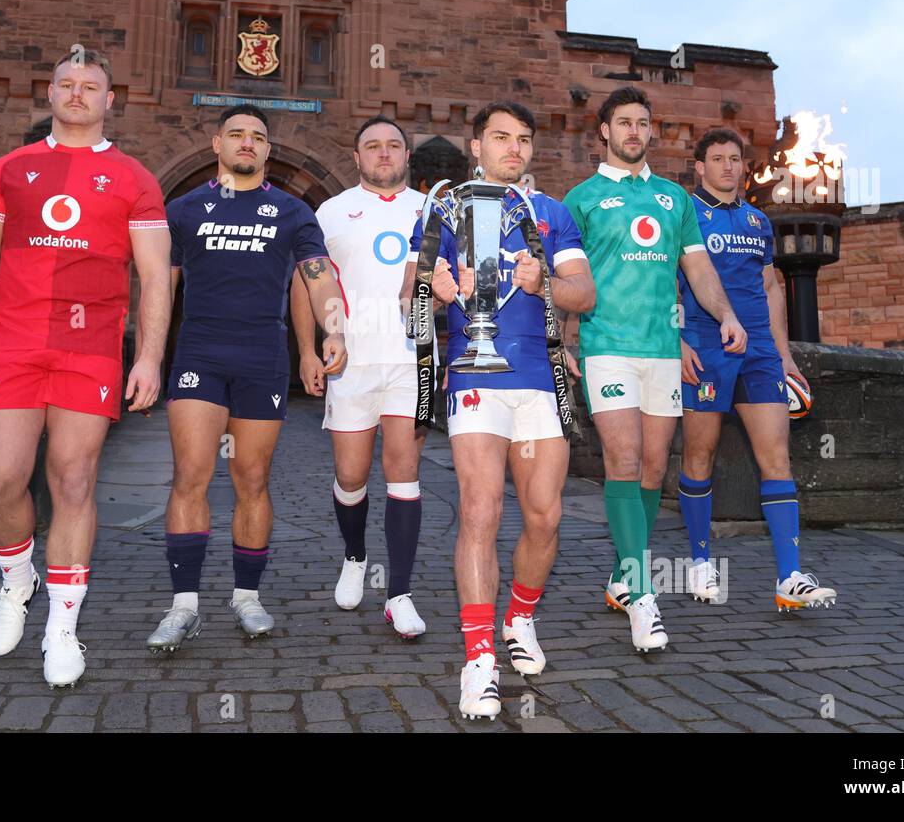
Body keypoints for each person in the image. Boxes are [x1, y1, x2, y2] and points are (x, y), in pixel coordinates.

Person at [0, 48, 171, 688]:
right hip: (14, 342)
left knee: (74, 481)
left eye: (90, 86)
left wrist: (149, 356)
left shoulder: (135, 179)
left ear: (109, 100)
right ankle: (18, 581)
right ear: (50, 94)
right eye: (67, 84)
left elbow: (155, 277)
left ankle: (63, 625)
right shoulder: (10, 169)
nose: (77, 94)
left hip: (91, 346)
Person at [402, 102, 594, 719]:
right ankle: (478, 658)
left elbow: (583, 296)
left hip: (539, 376)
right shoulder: (444, 208)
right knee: (480, 509)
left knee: (544, 516)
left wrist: (545, 285)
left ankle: (520, 617)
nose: (515, 148)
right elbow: (410, 302)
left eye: (524, 139)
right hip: (472, 374)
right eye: (502, 138)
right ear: (475, 144)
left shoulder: (551, 213)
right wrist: (437, 288)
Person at [146, 104, 347, 652]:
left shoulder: (292, 212)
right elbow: (158, 289)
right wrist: (147, 355)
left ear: (267, 149)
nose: (247, 143)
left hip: (262, 358)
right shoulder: (184, 210)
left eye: (258, 137)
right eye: (236, 134)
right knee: (190, 474)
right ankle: (182, 605)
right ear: (216, 143)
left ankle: (246, 596)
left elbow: (319, 276)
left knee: (251, 480)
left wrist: (334, 329)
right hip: (199, 355)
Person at [562, 86, 747, 653]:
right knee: (620, 458)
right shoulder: (581, 198)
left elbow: (697, 268)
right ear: (604, 132)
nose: (635, 132)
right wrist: (564, 341)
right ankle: (643, 595)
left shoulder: (674, 199)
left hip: (662, 348)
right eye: (624, 123)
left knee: (649, 466)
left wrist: (726, 314)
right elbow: (567, 280)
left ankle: (623, 576)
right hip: (607, 344)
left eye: (643, 123)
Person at [678, 127, 837, 610]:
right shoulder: (686, 215)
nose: (728, 166)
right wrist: (677, 340)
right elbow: (667, 279)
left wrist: (784, 354)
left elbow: (770, 288)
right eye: (718, 158)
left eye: (735, 159)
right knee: (698, 456)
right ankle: (700, 562)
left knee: (777, 459)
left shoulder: (758, 222)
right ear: (700, 167)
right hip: (706, 348)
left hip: (760, 354)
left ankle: (790, 577)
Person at [292, 116, 429, 637]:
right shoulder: (330, 212)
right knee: (351, 477)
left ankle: (399, 594)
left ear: (406, 154)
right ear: (357, 156)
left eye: (394, 145)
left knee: (404, 473)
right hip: (349, 362)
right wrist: (307, 349)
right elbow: (305, 282)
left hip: (409, 360)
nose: (384, 154)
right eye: (373, 146)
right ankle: (354, 556)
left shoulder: (431, 209)